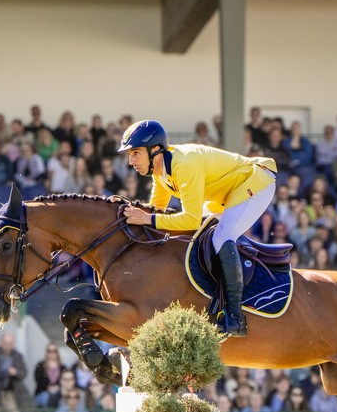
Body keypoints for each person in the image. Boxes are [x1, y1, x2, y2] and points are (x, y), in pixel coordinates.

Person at [119, 120, 278, 337]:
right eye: (129, 154)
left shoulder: (183, 165)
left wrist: (147, 219)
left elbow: (188, 220)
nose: (131, 161)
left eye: (135, 153)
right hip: (228, 194)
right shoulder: (160, 172)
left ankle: (235, 318)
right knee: (202, 236)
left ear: (155, 150)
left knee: (221, 236)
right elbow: (156, 210)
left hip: (255, 182)